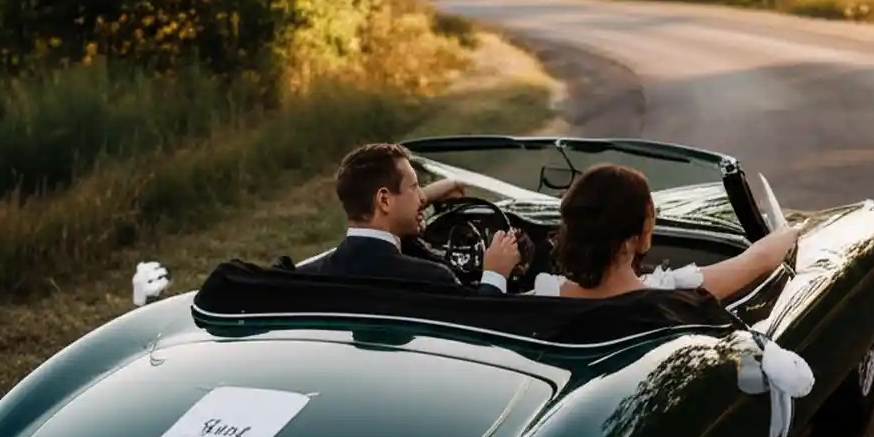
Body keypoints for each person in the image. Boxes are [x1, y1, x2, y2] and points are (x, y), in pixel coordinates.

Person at [529, 163, 797, 299]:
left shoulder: (538, 299)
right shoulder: (670, 294)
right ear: (643, 233)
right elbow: (757, 259)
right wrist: (793, 231)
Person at [301, 143, 521, 294]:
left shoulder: (311, 276)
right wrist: (495, 275)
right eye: (414, 187)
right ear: (384, 200)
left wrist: (445, 186)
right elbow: (479, 327)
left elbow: (401, 201)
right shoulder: (430, 279)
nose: (421, 197)